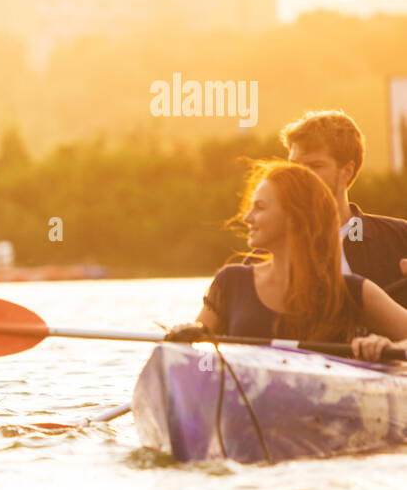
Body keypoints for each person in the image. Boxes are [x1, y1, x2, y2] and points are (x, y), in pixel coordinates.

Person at [167, 161, 407, 361]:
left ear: (295, 217)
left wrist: (388, 346)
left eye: (260, 208)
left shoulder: (353, 291)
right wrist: (182, 338)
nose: (247, 218)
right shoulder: (230, 282)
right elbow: (192, 357)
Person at [281, 110, 407, 303]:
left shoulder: (399, 240)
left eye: (314, 166)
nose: (300, 176)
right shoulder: (268, 252)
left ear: (347, 171)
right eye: (294, 166)